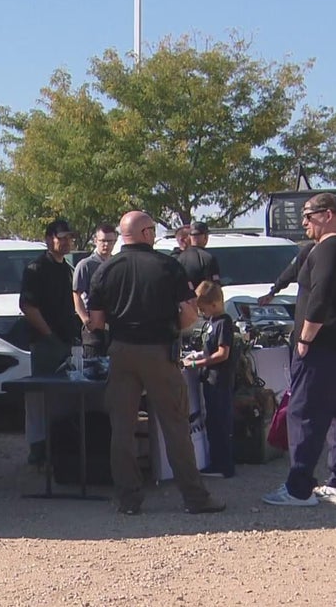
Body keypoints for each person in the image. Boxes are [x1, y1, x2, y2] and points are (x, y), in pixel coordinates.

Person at [87, 211, 226, 515]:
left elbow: (95, 321)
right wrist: (173, 326)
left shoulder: (105, 270)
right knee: (175, 426)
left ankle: (128, 500)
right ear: (148, 233)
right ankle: (195, 498)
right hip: (159, 351)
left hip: (122, 351)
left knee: (121, 427)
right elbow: (190, 314)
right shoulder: (167, 266)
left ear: (123, 236)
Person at [261, 193, 336, 507]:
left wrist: (305, 339)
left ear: (329, 214)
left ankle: (299, 488)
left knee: (304, 413)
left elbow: (320, 296)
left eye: (309, 215)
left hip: (322, 347)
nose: (303, 222)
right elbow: (295, 274)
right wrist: (273, 291)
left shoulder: (329, 250)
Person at [19, 219, 78, 466]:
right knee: (39, 399)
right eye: (60, 237)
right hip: (44, 344)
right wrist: (49, 337)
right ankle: (38, 448)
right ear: (48, 239)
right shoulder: (36, 268)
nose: (65, 242)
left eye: (68, 238)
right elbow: (27, 306)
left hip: (66, 342)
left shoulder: (67, 269)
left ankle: (60, 448)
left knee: (64, 399)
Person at [185, 281, 237, 479]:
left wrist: (198, 364)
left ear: (214, 304)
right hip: (209, 378)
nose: (202, 312)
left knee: (220, 421)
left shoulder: (224, 322)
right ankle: (216, 461)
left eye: (203, 308)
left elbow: (223, 353)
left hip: (219, 379)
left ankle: (223, 465)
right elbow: (209, 348)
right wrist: (197, 356)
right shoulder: (211, 323)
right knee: (212, 421)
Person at [73, 223, 117, 357]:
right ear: (95, 241)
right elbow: (76, 295)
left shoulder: (117, 263)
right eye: (103, 241)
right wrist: (86, 320)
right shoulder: (85, 265)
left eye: (110, 241)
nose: (106, 245)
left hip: (114, 326)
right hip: (94, 329)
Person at [257, 241, 315, 306]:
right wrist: (273, 291)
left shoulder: (325, 250)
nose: (307, 230)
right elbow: (290, 272)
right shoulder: (310, 249)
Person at [177, 221, 221, 289]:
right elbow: (215, 287)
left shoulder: (180, 258)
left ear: (190, 237)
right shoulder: (209, 258)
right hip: (204, 298)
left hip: (187, 298)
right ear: (205, 237)